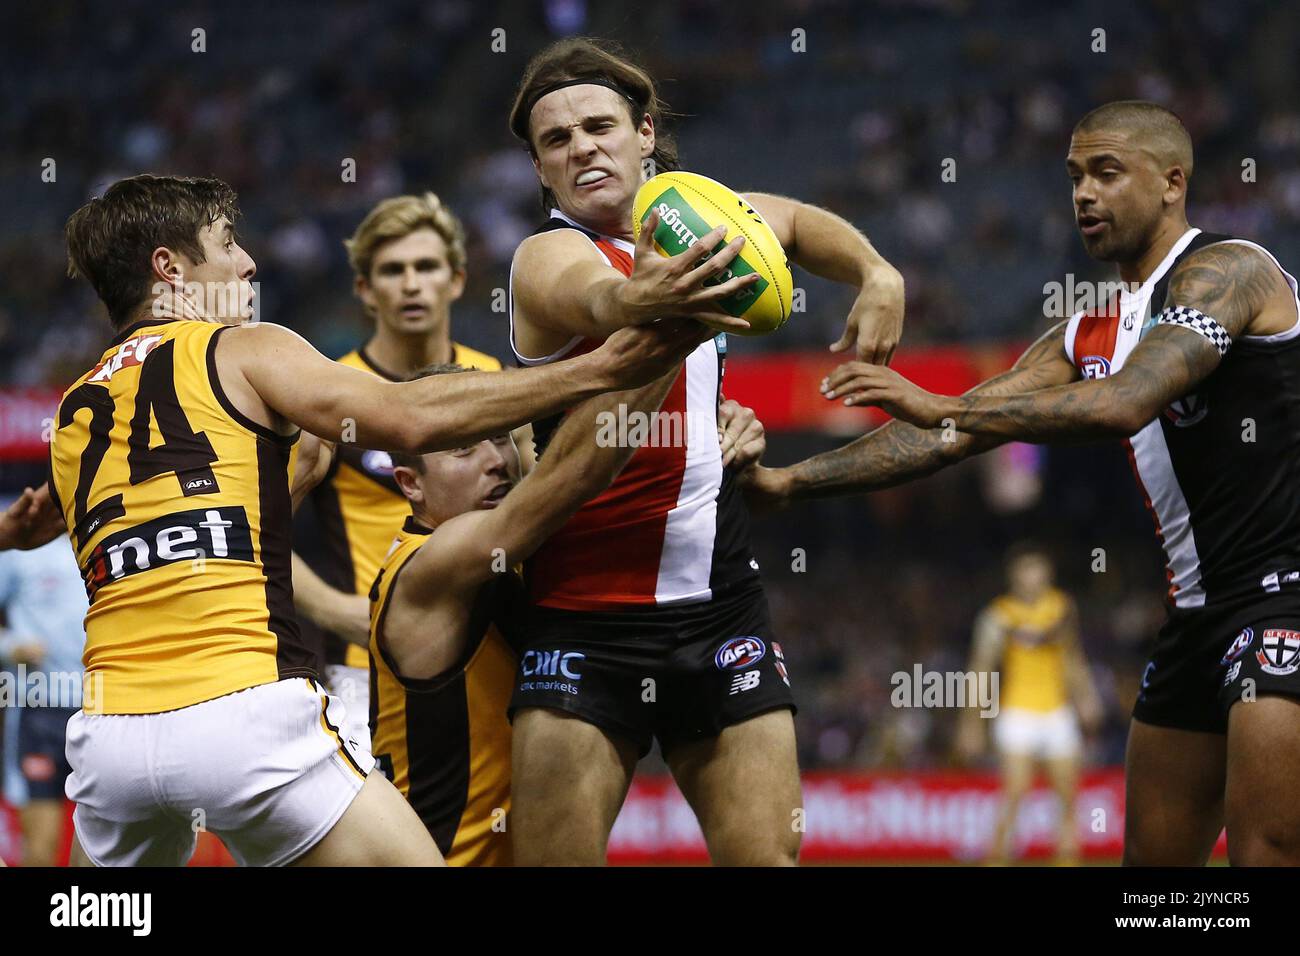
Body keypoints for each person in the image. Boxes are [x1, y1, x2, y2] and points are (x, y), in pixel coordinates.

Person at [45, 172, 702, 866]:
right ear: (169, 269)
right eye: (227, 243)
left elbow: (190, 540)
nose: (247, 263)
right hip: (243, 714)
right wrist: (604, 367)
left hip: (109, 737)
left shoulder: (72, 411)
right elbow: (411, 419)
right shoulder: (243, 348)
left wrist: (291, 480)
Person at [746, 101, 1300, 865]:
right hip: (1196, 618)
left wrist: (946, 404)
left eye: (1107, 173)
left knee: (1266, 852)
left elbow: (1125, 402)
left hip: (1285, 596)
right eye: (1075, 176)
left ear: (1174, 183)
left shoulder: (1230, 271)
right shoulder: (1084, 330)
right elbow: (949, 436)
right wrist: (790, 481)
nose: (1084, 194)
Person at [503, 37, 905, 865]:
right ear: (542, 172)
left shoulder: (710, 220)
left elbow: (790, 221)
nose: (581, 147)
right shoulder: (544, 256)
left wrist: (876, 273)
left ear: (645, 133)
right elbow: (603, 297)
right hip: (585, 617)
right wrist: (643, 292)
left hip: (719, 604)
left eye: (599, 126)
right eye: (556, 141)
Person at [368, 358, 766, 864]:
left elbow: (619, 494)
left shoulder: (514, 549)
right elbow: (573, 476)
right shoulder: (429, 566)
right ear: (410, 484)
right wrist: (669, 344)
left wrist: (718, 441)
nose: (496, 460)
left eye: (499, 438)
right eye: (463, 447)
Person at [293, 192, 517, 754]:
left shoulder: (497, 384)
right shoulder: (329, 396)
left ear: (457, 279)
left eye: (426, 267)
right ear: (366, 290)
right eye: (392, 271)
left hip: (495, 651)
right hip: (368, 667)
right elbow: (255, 528)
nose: (411, 284)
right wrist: (336, 611)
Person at [956, 545, 1102, 864]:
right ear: (1014, 576)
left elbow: (1072, 657)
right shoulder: (998, 616)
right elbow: (981, 669)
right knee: (1013, 797)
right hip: (1017, 713)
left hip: (1057, 713)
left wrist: (1086, 698)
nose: (1033, 577)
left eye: (1038, 569)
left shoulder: (1061, 607)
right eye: (1026, 570)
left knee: (1067, 802)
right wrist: (971, 724)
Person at [0, 535, 88, 866]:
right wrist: (10, 647)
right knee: (39, 850)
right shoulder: (21, 547)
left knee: (99, 852)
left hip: (101, 710)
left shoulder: (107, 542)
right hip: (39, 712)